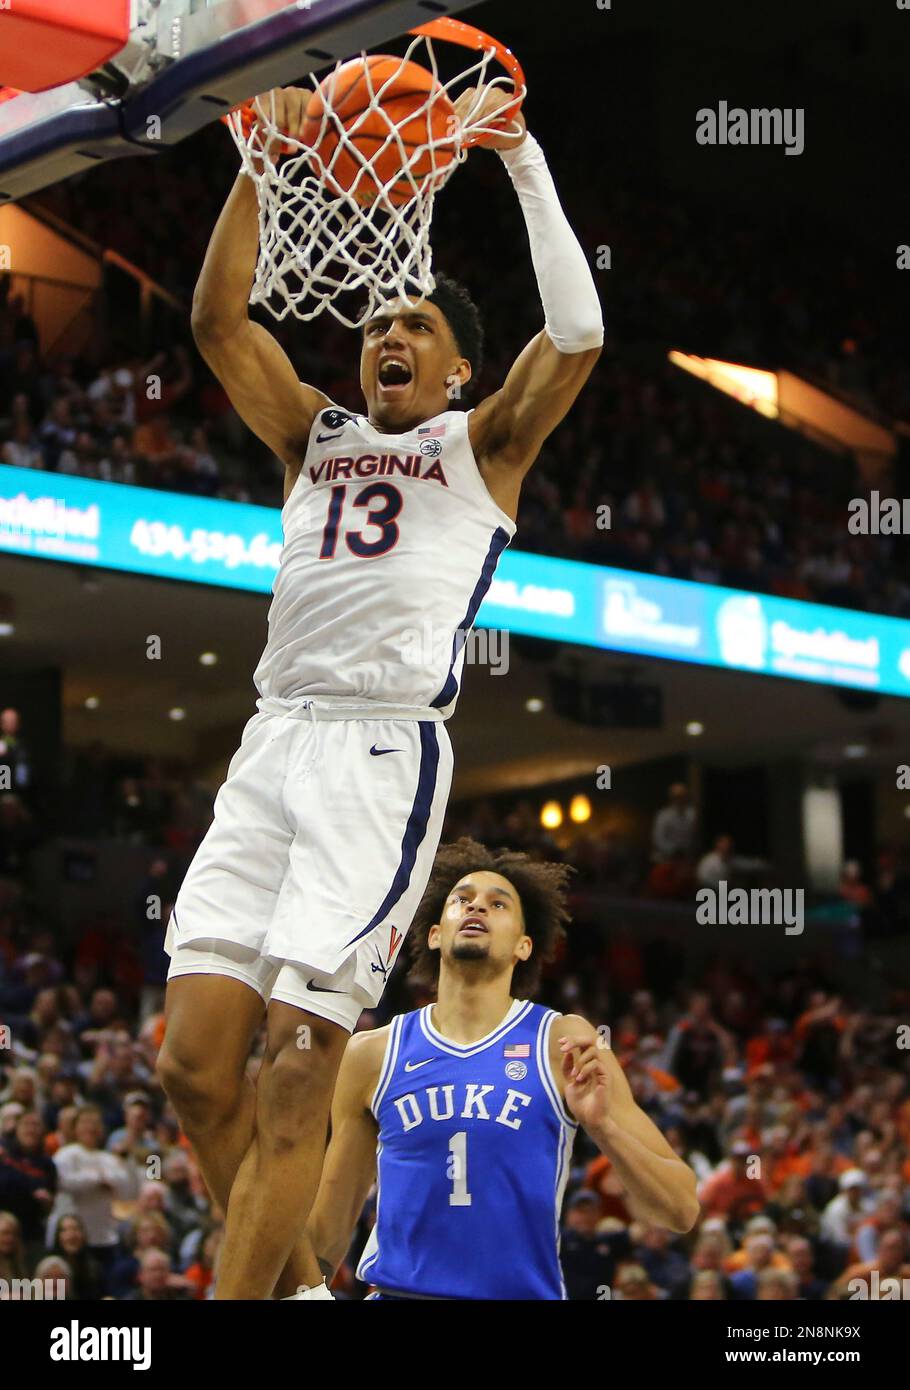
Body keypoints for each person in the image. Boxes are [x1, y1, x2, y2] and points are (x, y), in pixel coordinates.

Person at [157, 77, 603, 1303]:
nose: (387, 340)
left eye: (415, 330)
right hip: (269, 742)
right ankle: (308, 1285)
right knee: (194, 1071)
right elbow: (214, 320)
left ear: (459, 369)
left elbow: (577, 335)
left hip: (378, 755)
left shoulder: (485, 447)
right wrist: (259, 153)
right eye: (374, 328)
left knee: (298, 1072)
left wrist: (517, 154)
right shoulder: (313, 434)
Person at [304, 838, 698, 1300]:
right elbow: (329, 1229)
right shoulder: (372, 1053)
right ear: (435, 933)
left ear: (524, 945)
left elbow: (680, 1210)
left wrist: (602, 1125)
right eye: (462, 900)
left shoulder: (562, 1042)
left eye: (498, 904)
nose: (477, 908)